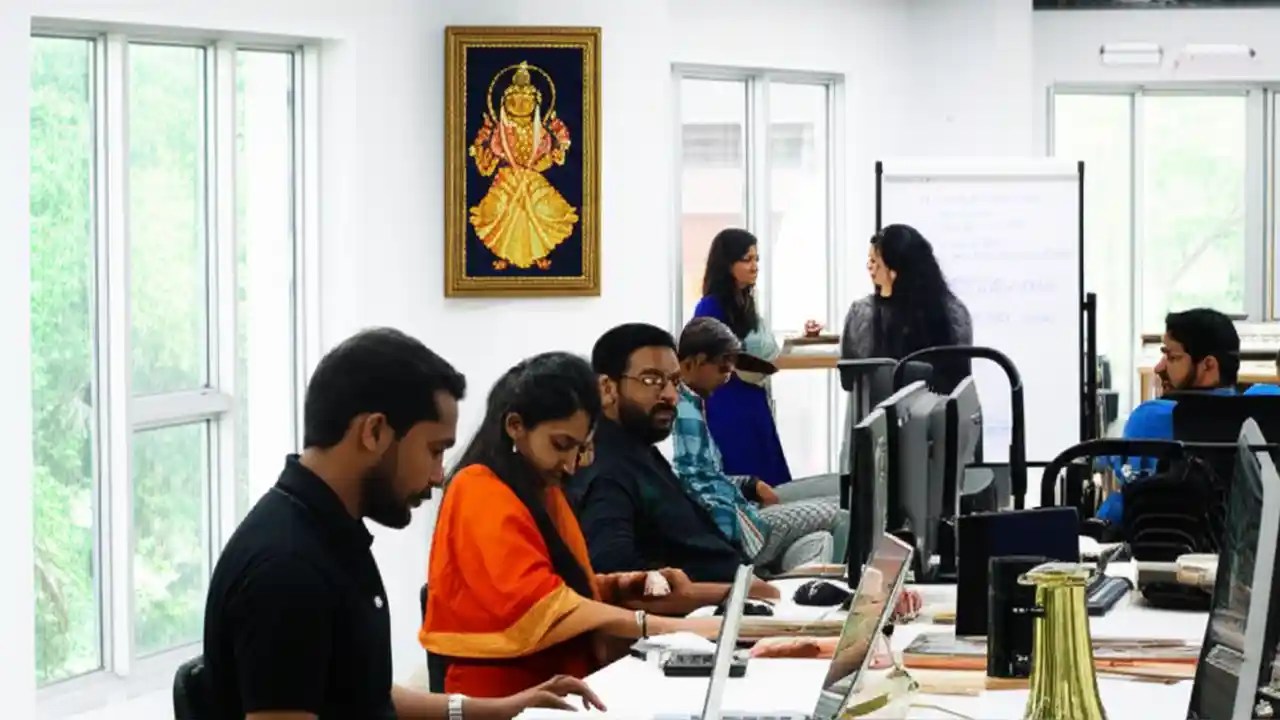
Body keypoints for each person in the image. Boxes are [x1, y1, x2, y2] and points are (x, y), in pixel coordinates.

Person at [202, 328, 599, 720]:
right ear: (374, 432)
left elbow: (358, 689)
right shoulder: (287, 569)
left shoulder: (327, 531)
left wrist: (498, 709)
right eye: (434, 450)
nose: (439, 476)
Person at [420, 352, 720, 700]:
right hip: (505, 697)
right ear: (515, 426)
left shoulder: (540, 488)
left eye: (579, 449)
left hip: (557, 682)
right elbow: (541, 606)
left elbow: (558, 587)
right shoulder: (478, 488)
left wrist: (622, 586)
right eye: (561, 445)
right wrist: (669, 627)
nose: (570, 465)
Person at [568, 322, 781, 598]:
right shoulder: (608, 470)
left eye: (675, 381)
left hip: (741, 587)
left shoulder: (638, 449)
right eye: (651, 380)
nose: (671, 395)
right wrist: (737, 594)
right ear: (607, 388)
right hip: (715, 613)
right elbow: (616, 579)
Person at [674, 317, 844, 573]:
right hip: (744, 530)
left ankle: (789, 579)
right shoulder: (682, 411)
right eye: (723, 368)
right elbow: (691, 486)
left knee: (839, 492)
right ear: (696, 362)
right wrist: (738, 516)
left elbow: (704, 474)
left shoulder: (692, 404)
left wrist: (749, 485)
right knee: (842, 513)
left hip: (744, 513)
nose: (728, 378)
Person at [1099, 309, 1280, 523]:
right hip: (1254, 540)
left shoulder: (1151, 418)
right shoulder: (1268, 407)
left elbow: (1131, 488)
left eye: (1172, 357)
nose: (1159, 367)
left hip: (1172, 538)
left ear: (1209, 365)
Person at [693, 228, 792, 487]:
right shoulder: (711, 306)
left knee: (771, 483)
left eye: (756, 259)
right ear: (727, 264)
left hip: (753, 397)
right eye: (747, 259)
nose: (754, 266)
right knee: (743, 478)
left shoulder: (746, 303)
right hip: (729, 401)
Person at [841, 224, 973, 394]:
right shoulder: (955, 312)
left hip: (880, 409)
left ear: (894, 272)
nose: (869, 267)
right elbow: (961, 380)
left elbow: (848, 381)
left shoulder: (863, 314)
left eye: (874, 262)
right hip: (941, 408)